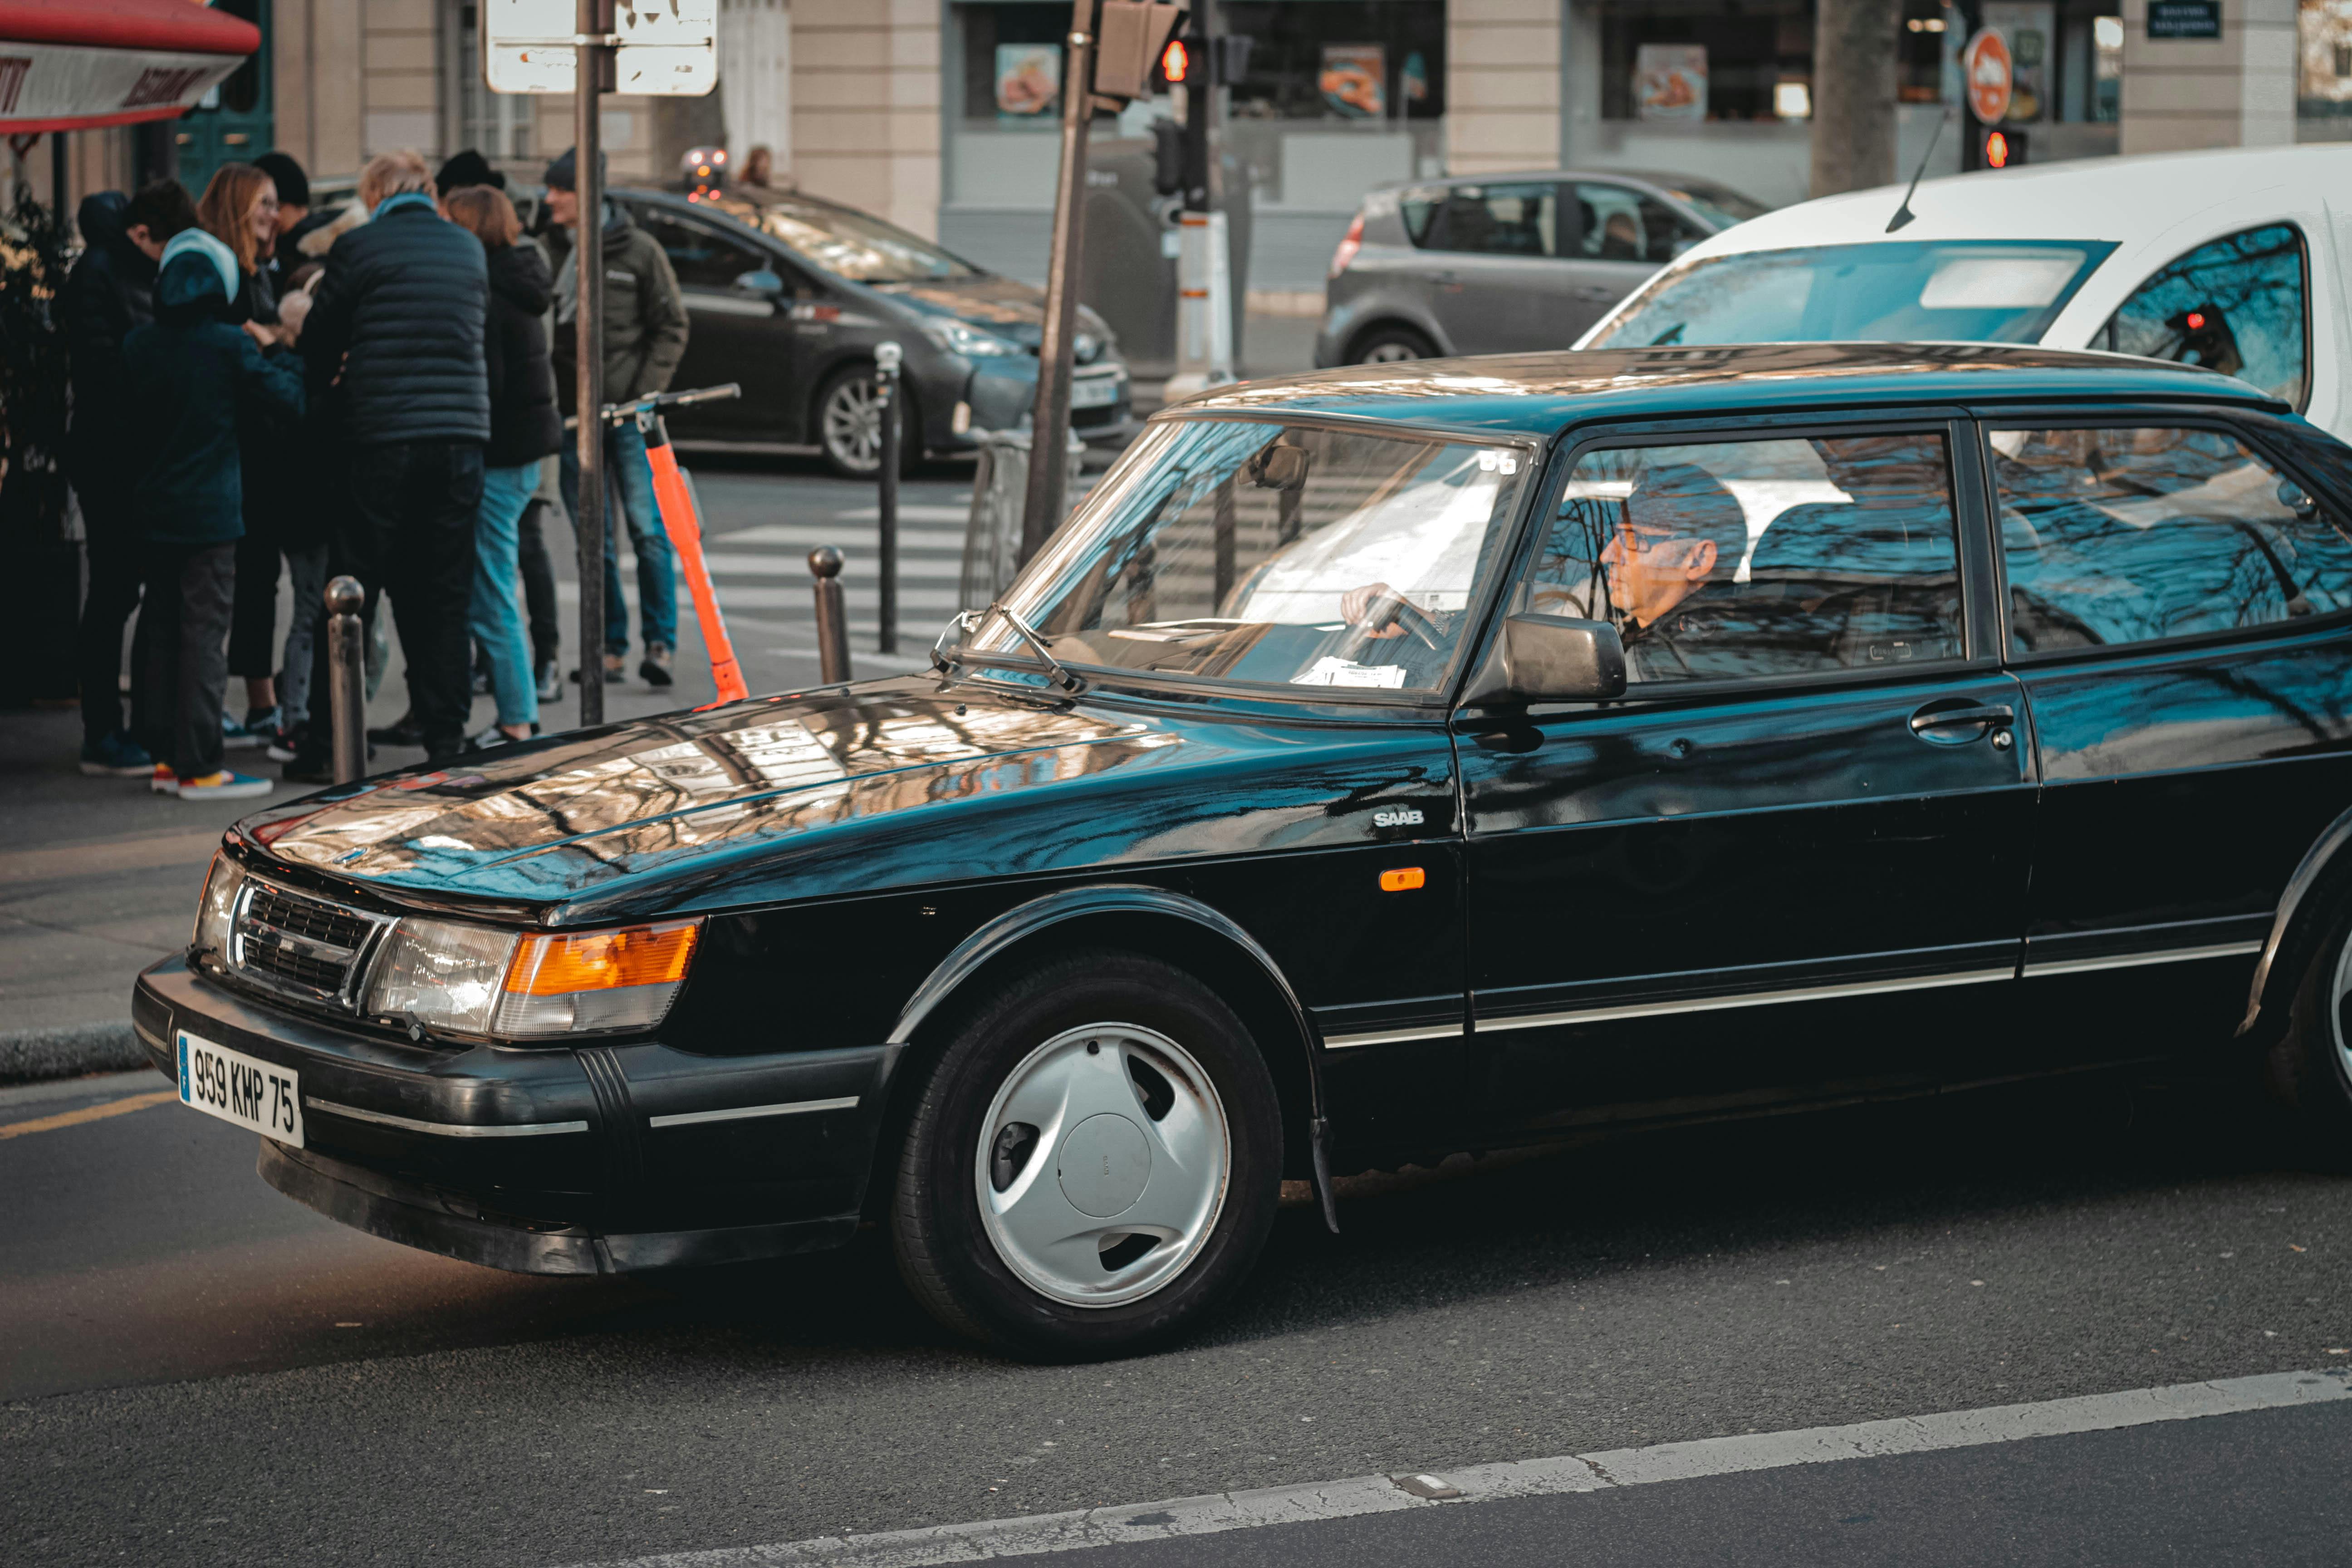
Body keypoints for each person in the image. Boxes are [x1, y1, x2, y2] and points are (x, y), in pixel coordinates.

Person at [284, 149, 490, 778]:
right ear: (427, 190)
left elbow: (319, 343)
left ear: (375, 194)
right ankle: (446, 735)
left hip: (382, 439)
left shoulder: (360, 248)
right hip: (461, 439)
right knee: (443, 593)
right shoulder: (468, 249)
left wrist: (332, 387)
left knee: (354, 590)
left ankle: (330, 743)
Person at [122, 225, 303, 800]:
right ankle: (200, 764)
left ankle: (164, 760)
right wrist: (277, 348)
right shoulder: (228, 343)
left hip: (153, 509)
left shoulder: (139, 345)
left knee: (160, 630)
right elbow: (288, 399)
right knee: (204, 634)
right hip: (212, 514)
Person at [62, 180, 196, 777]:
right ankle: (103, 732)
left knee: (126, 590)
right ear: (141, 234)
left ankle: (129, 726)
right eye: (163, 247)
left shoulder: (120, 266)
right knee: (116, 591)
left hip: (122, 452)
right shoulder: (102, 271)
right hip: (111, 455)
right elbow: (106, 367)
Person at [542, 144, 689, 686]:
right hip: (570, 420)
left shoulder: (639, 252)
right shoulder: (548, 250)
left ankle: (660, 644)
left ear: (588, 193)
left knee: (648, 531)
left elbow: (672, 325)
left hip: (628, 416)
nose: (550, 198)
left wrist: (642, 395)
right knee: (592, 540)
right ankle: (610, 647)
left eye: (560, 189)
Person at [445, 184, 560, 746]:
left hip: (501, 453)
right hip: (526, 451)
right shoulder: (520, 278)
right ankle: (517, 713)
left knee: (491, 591)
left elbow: (485, 385)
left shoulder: (488, 291)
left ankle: (517, 720)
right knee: (495, 583)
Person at [196, 163, 296, 750]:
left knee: (257, 577)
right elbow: (242, 353)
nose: (272, 215)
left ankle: (259, 700)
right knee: (237, 580)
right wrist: (272, 339)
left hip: (258, 447)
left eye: (275, 204)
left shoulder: (254, 271)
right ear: (236, 206)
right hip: (238, 447)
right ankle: (250, 702)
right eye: (262, 203)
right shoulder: (227, 276)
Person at [1598, 463, 1753, 680]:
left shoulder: (1691, 665)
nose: (1606, 556)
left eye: (1631, 539)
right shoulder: (1646, 636)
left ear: (1699, 561)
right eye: (1613, 536)